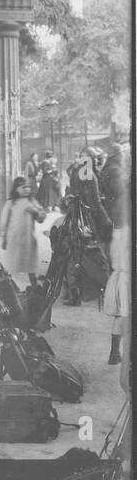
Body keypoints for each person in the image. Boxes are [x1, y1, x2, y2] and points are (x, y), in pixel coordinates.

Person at [100, 142, 130, 365]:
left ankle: (114, 351)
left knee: (122, 314)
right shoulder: (118, 176)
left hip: (121, 274)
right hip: (125, 274)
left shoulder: (117, 232)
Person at [0, 176, 46, 287]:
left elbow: (41, 217)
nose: (26, 189)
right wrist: (4, 236)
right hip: (14, 238)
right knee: (12, 263)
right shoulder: (11, 203)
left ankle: (34, 285)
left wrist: (35, 212)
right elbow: (4, 221)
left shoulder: (32, 201)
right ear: (16, 188)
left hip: (28, 239)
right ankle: (8, 285)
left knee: (30, 263)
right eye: (23, 187)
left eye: (28, 187)